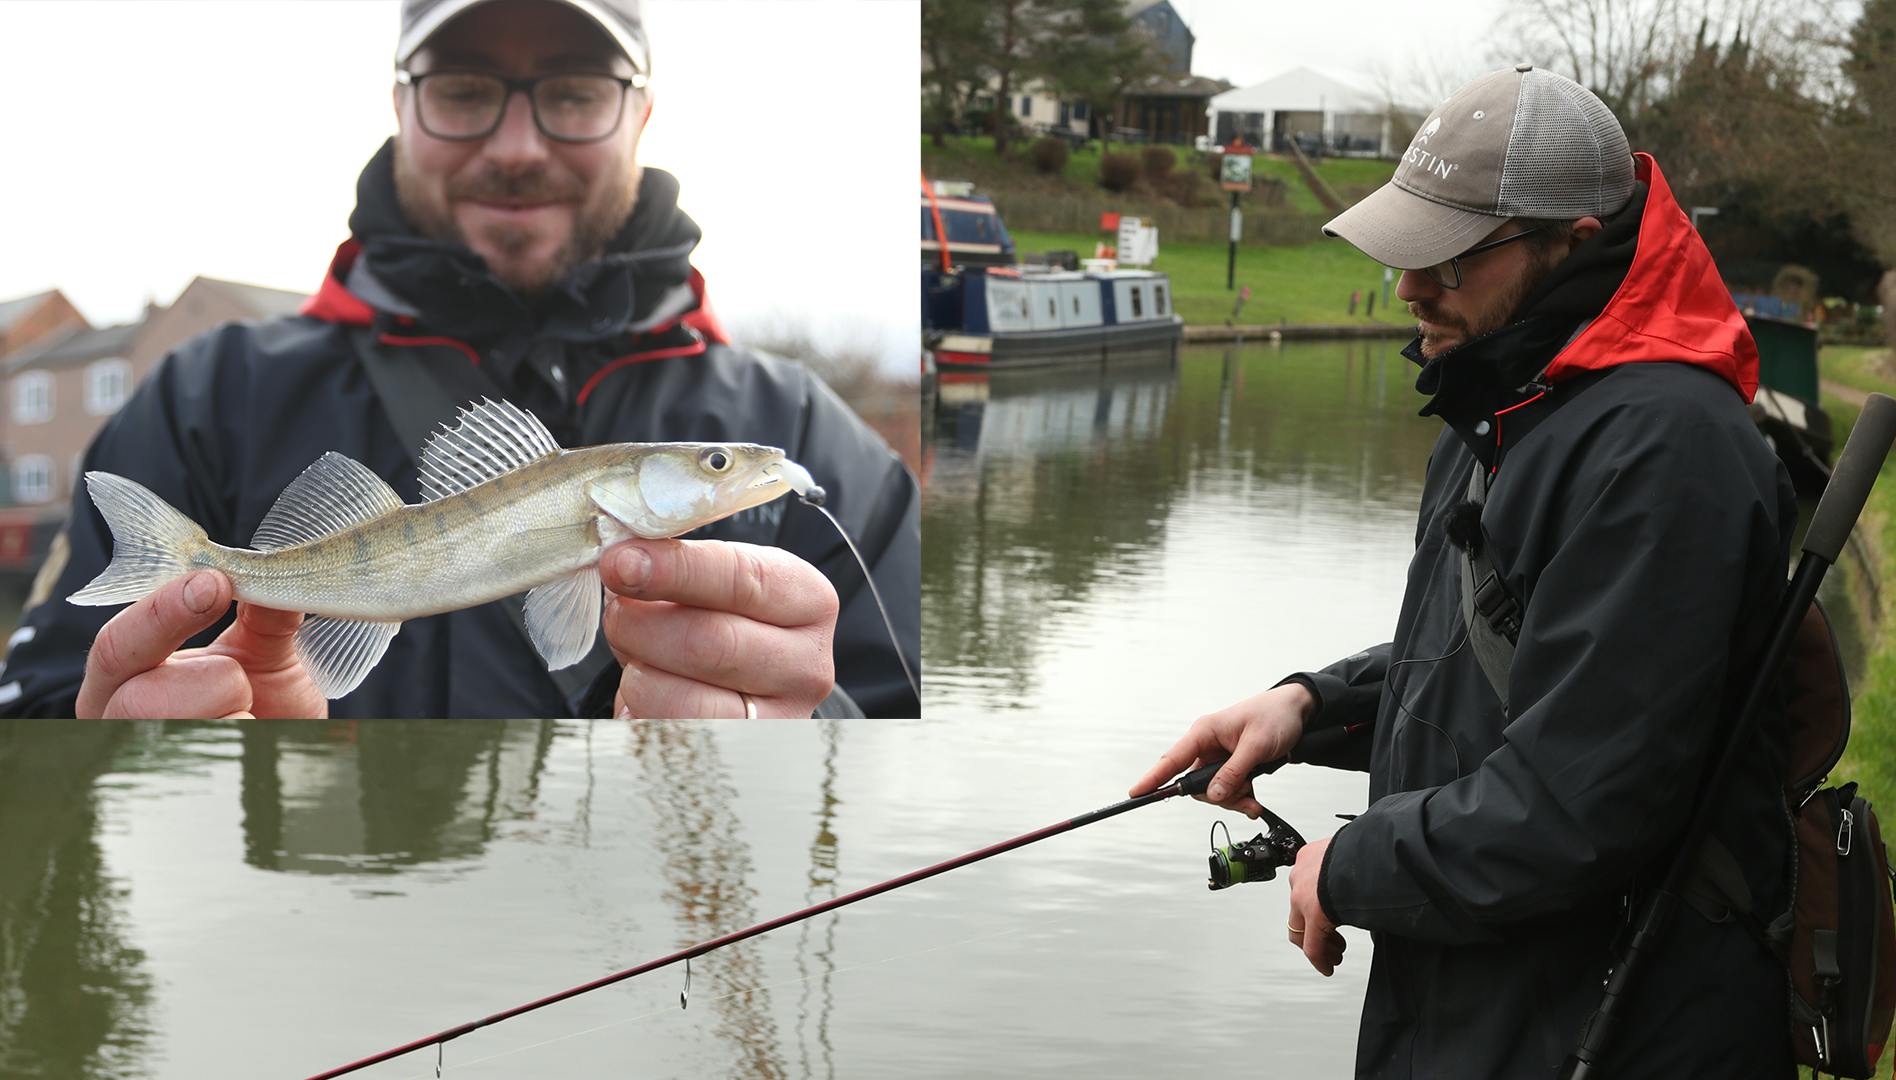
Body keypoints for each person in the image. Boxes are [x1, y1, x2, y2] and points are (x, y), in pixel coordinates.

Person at [1133, 66, 1795, 1077]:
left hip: (1616, 1025)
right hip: (1484, 1010)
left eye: (1447, 258)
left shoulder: (1666, 450)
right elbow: (1495, 653)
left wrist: (1347, 867)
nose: (1409, 287)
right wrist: (1310, 707)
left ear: (1570, 243)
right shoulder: (1503, 406)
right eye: (1408, 251)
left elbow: (1577, 800)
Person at [0, 0, 919, 720]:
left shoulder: (808, 430)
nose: (517, 147)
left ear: (642, 114)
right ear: (402, 104)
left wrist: (806, 739)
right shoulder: (207, 398)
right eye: (466, 89)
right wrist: (122, 755)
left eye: (572, 91)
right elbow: (37, 707)